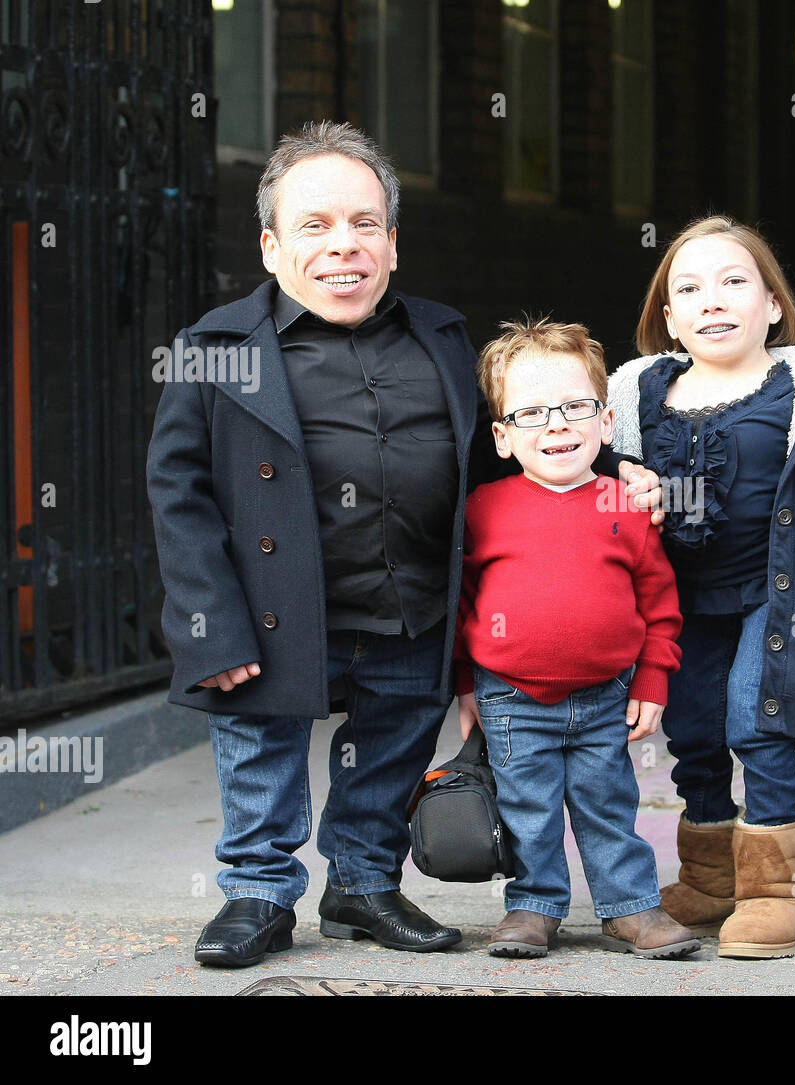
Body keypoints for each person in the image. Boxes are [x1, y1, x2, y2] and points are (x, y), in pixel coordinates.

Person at [146, 121, 660, 968]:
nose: (342, 245)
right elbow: (178, 493)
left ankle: (361, 883)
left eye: (363, 224)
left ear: (392, 242)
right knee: (261, 751)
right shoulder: (214, 349)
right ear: (272, 246)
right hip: (271, 608)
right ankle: (257, 892)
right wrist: (207, 620)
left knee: (387, 753)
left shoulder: (445, 339)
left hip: (409, 600)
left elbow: (520, 435)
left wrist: (620, 468)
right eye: (314, 226)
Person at [606, 216, 795, 959]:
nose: (712, 300)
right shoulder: (632, 398)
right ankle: (709, 876)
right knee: (691, 728)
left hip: (776, 595)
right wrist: (616, 478)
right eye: (688, 288)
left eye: (735, 281)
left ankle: (773, 890)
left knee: (753, 721)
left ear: (771, 303)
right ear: (668, 317)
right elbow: (570, 483)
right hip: (681, 601)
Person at [454, 319, 699, 960]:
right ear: (503, 438)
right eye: (532, 413)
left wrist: (652, 677)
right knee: (527, 808)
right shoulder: (483, 508)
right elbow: (462, 604)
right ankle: (533, 908)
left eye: (573, 408)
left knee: (609, 804)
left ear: (606, 422)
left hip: (604, 695)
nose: (557, 425)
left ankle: (631, 909)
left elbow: (660, 605)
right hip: (510, 696)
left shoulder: (627, 506)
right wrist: (464, 687)